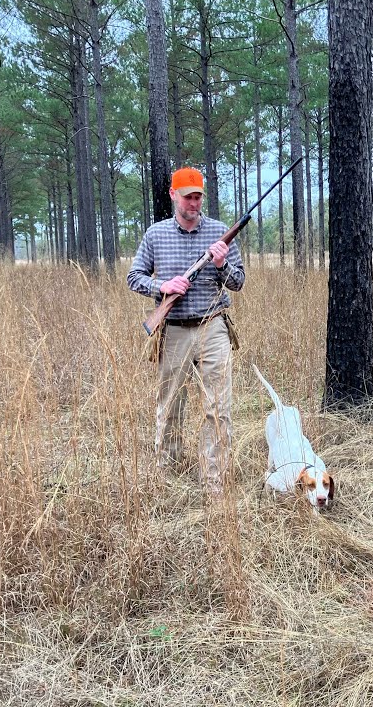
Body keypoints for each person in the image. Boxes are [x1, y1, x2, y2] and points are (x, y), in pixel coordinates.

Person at [127, 167, 245, 497]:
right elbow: (133, 277)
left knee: (218, 409)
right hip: (174, 329)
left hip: (213, 327)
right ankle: (166, 479)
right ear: (172, 195)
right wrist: (162, 284)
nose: (194, 203)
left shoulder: (221, 232)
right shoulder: (156, 235)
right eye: (188, 196)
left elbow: (238, 282)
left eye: (198, 197)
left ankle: (214, 484)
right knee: (170, 406)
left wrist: (221, 265)